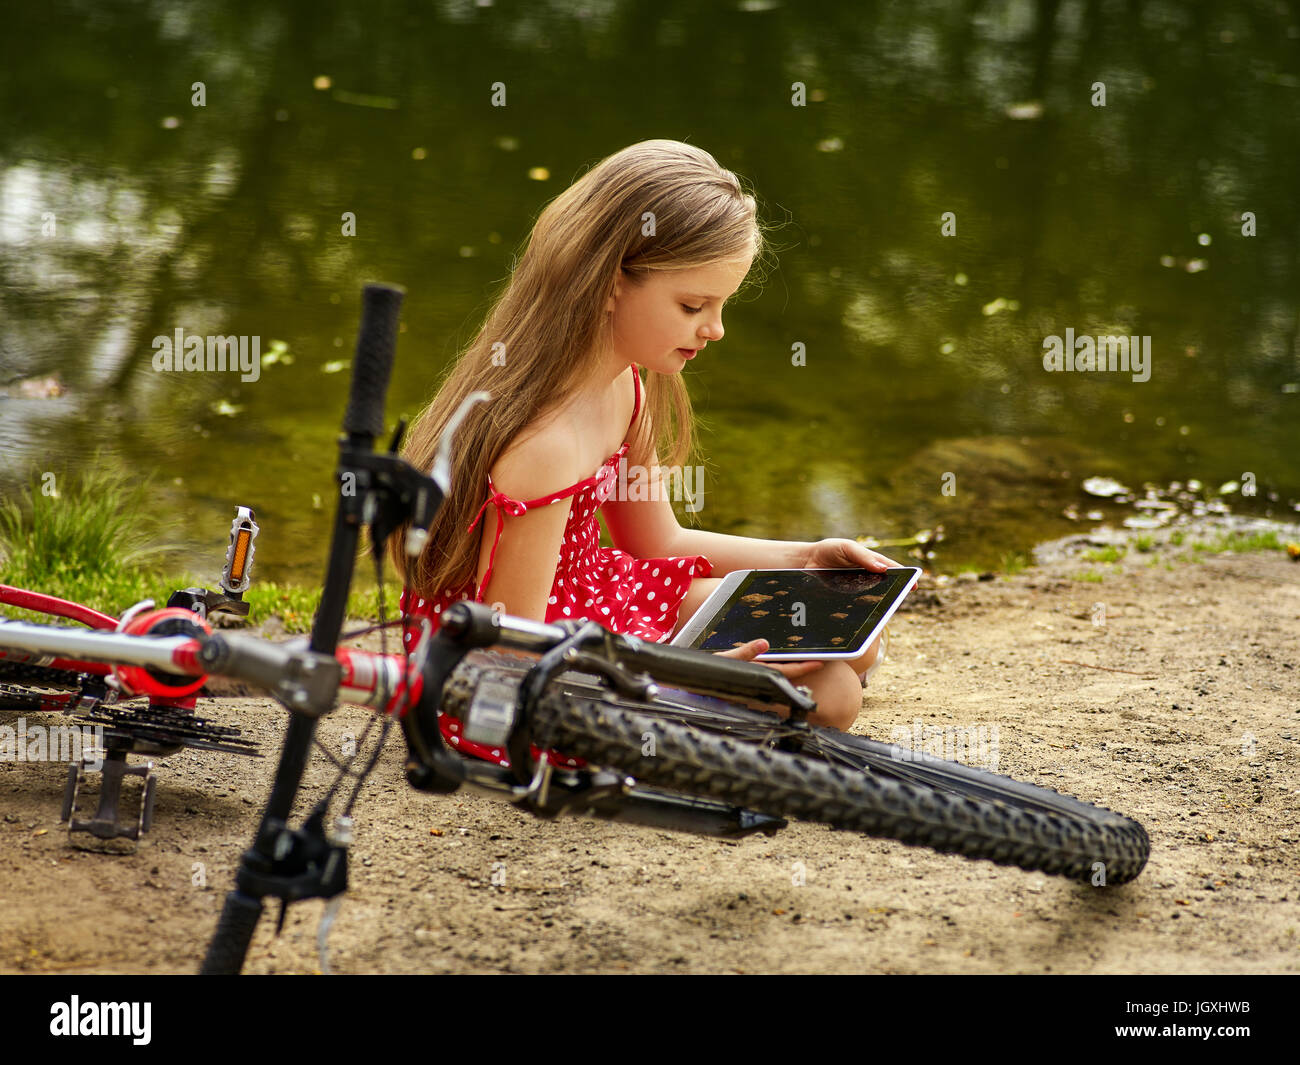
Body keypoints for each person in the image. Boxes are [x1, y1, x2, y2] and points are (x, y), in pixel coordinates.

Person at [392, 139, 897, 751]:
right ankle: (691, 711)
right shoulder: (545, 443)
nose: (715, 329)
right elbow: (507, 653)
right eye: (693, 305)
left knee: (850, 636)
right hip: (520, 674)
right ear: (610, 282)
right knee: (833, 694)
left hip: (590, 602)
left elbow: (656, 540)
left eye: (720, 305)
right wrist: (677, 673)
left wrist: (805, 559)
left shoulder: (624, 385)